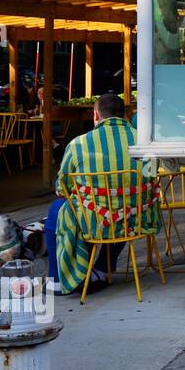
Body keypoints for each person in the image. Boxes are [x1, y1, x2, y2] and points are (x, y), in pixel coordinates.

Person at [42, 93, 160, 296]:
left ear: (96, 115)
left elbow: (62, 188)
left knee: (58, 209)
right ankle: (102, 269)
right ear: (126, 114)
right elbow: (152, 177)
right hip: (136, 218)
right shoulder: (145, 142)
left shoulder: (78, 144)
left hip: (95, 221)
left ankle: (57, 280)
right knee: (122, 208)